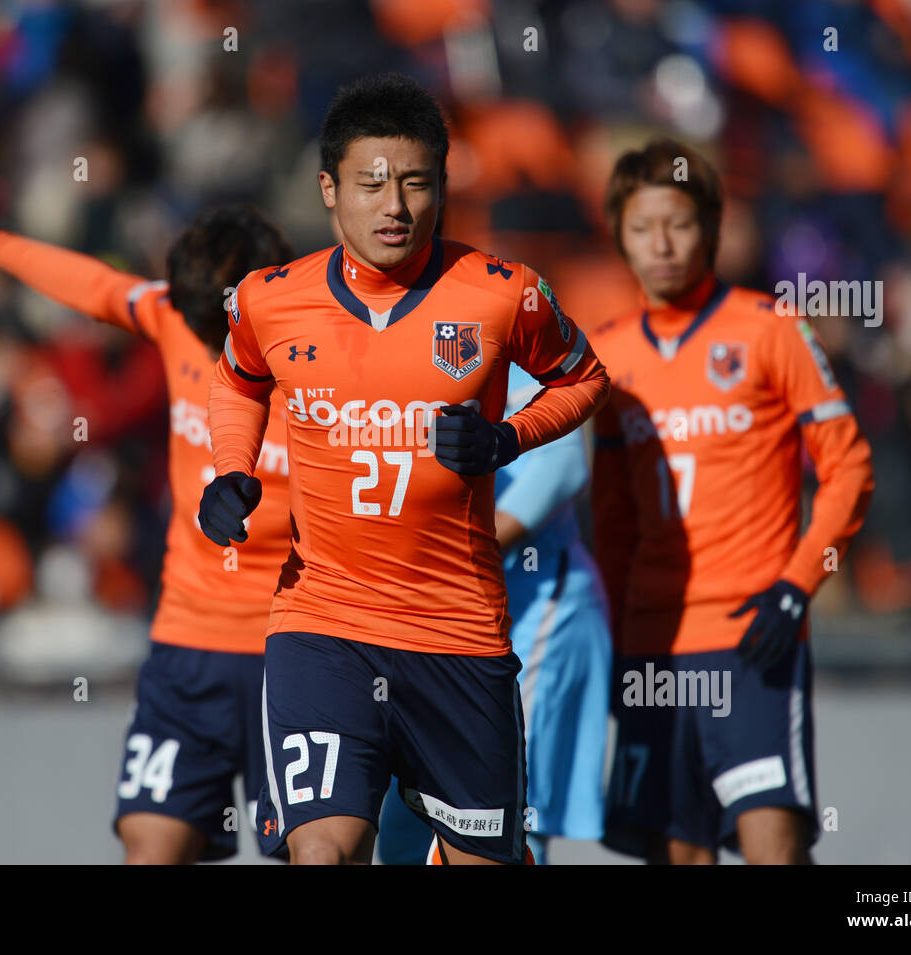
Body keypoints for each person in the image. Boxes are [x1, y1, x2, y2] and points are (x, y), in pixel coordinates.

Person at [199, 73, 610, 865]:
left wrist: (507, 438)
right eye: (372, 183)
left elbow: (585, 377)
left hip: (458, 634)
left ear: (444, 187)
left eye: (417, 183)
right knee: (324, 851)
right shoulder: (268, 301)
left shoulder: (503, 294)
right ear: (329, 189)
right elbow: (237, 379)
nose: (395, 205)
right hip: (324, 627)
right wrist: (230, 470)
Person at [0, 156, 294, 863]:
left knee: (313, 850)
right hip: (184, 647)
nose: (204, 342)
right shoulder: (181, 317)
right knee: (149, 842)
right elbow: (93, 285)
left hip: (296, 655)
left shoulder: (328, 367)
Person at [590, 139, 874, 865]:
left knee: (772, 846)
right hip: (651, 642)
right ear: (619, 237)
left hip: (752, 634)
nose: (662, 244)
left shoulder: (772, 328)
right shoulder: (606, 359)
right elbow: (614, 519)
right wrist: (615, 631)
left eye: (679, 223)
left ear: (711, 230)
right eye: (642, 226)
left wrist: (795, 588)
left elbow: (849, 468)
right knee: (678, 854)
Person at [375, 362, 612, 865]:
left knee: (513, 818)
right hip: (429, 615)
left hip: (536, 609)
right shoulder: (395, 347)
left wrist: (444, 556)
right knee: (404, 817)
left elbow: (565, 467)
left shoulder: (518, 352)